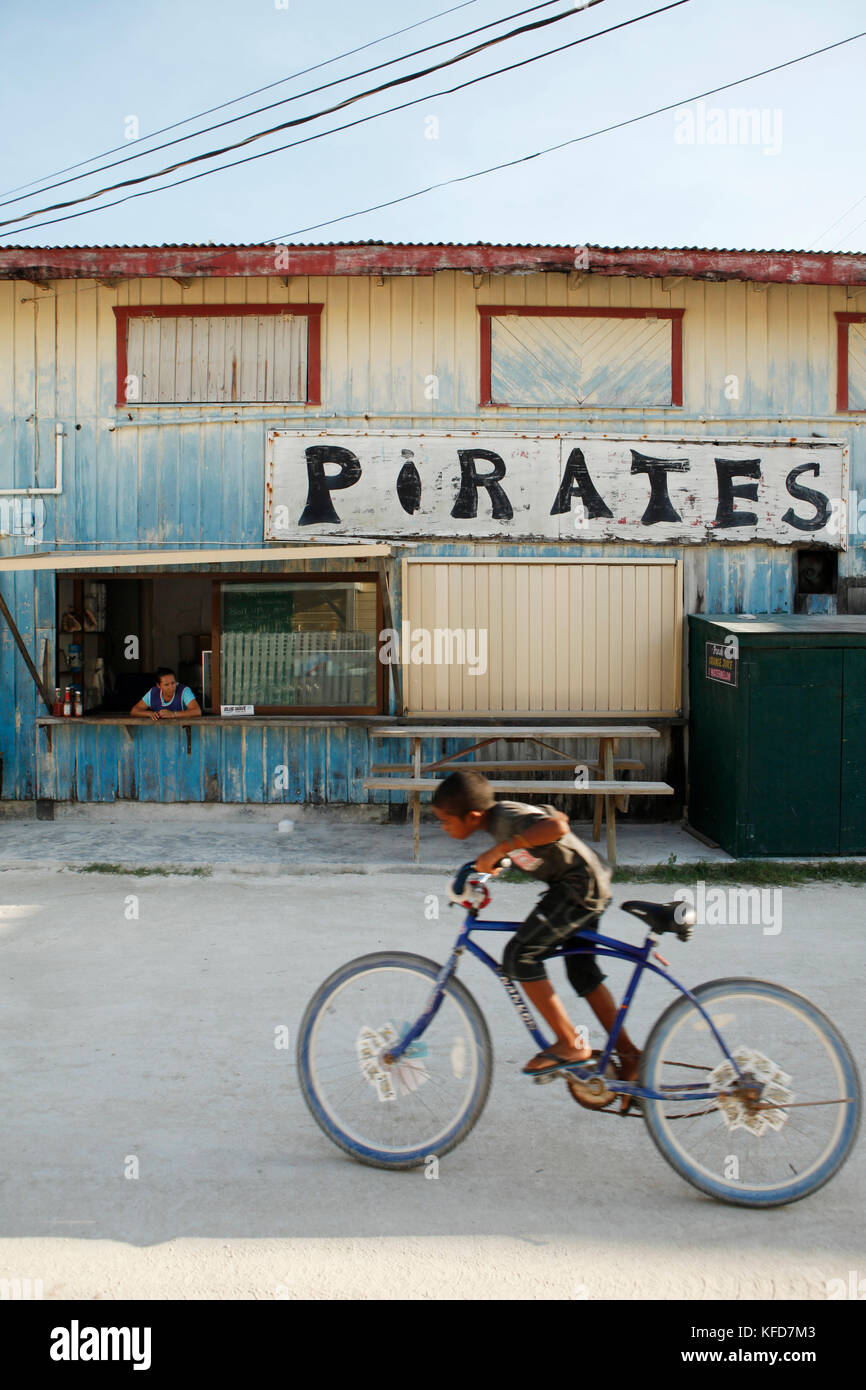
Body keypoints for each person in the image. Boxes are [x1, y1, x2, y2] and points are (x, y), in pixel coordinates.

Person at [431, 768, 641, 1112]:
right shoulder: (498, 821)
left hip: (578, 888)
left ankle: (571, 1043)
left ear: (472, 816)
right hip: (583, 884)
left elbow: (558, 827)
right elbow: (547, 825)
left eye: (444, 821)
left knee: (520, 955)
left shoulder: (506, 820)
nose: (443, 827)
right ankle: (630, 1056)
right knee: (582, 972)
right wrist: (491, 865)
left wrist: (504, 847)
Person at [130, 667, 201, 722]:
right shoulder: (153, 693)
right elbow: (134, 711)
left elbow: (197, 711)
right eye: (166, 685)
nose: (171, 687)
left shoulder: (184, 691)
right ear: (159, 685)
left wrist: (173, 714)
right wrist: (150, 714)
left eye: (173, 683)